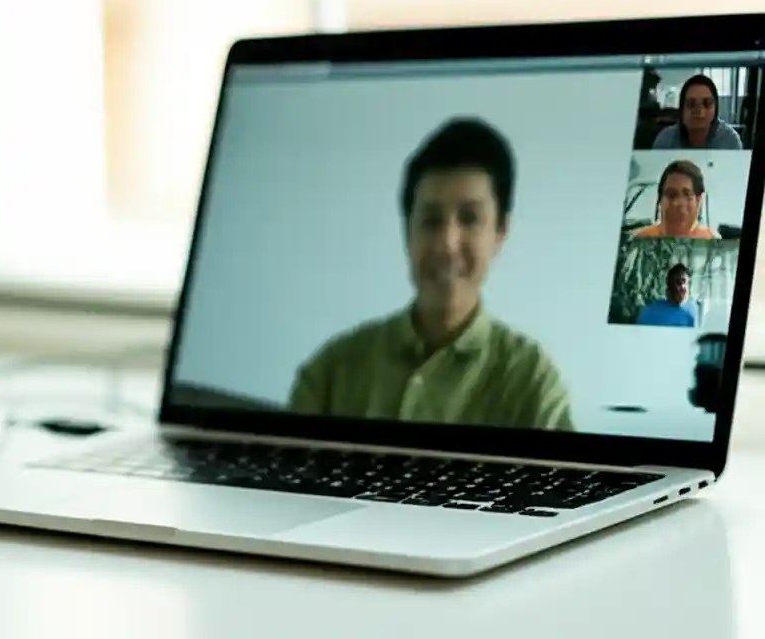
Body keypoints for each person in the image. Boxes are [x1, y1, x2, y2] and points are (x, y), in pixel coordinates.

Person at [287, 117, 574, 431]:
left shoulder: (533, 384)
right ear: (407, 232)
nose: (447, 243)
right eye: (431, 220)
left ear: (500, 233)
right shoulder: (332, 371)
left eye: (470, 218)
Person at [631, 159, 719, 239]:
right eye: (671, 195)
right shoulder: (641, 240)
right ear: (660, 200)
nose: (678, 203)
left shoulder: (712, 241)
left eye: (687, 194)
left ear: (698, 200)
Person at [651, 74, 743, 149]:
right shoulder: (665, 140)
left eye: (707, 103)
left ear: (716, 108)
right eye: (691, 104)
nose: (700, 111)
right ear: (682, 109)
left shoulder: (730, 140)